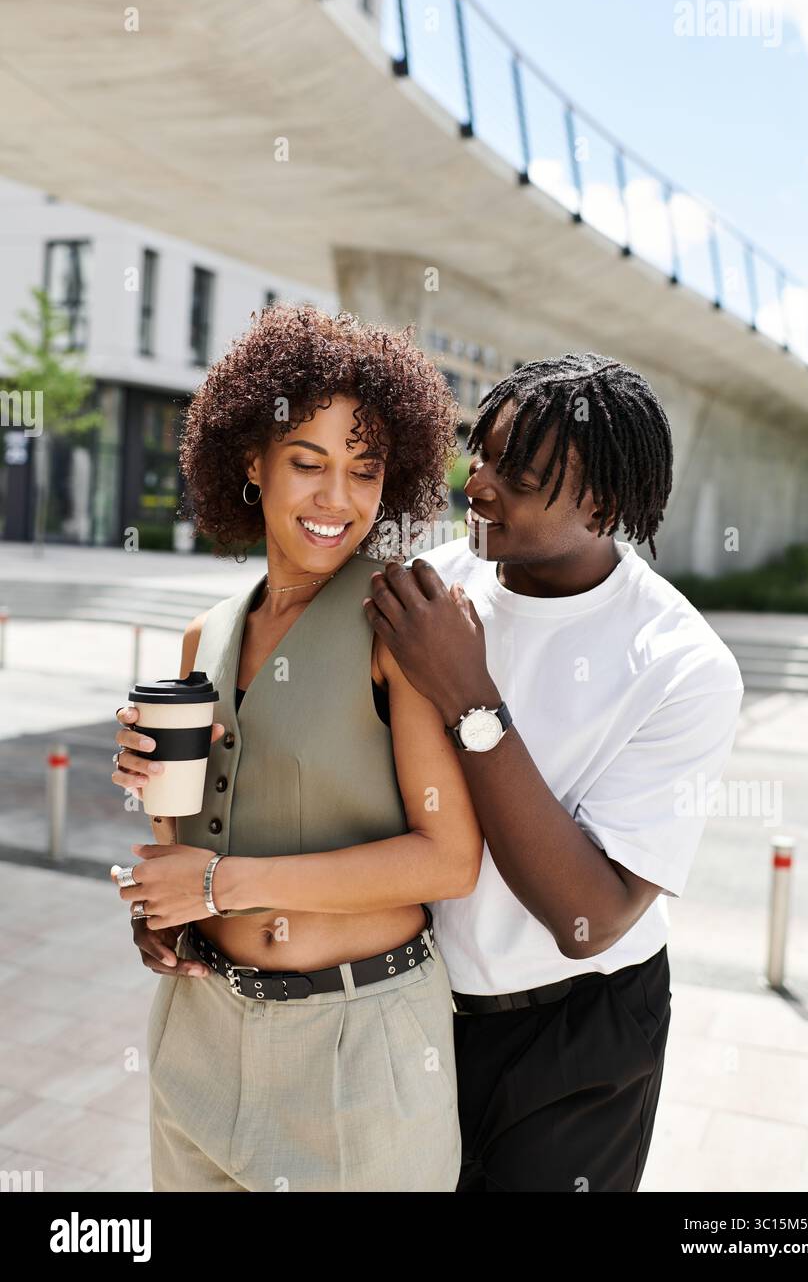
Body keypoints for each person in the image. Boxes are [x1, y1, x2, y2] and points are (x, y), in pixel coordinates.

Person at [110, 303, 481, 1193]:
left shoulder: (399, 620)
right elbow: (192, 847)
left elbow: (449, 858)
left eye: (363, 471)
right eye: (307, 462)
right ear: (252, 460)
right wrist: (166, 898)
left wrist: (221, 884)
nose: (336, 500)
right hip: (200, 1032)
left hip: (357, 1056)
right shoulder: (208, 635)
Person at [363, 352, 745, 1192]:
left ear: (603, 507)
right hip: (418, 1008)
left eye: (520, 474)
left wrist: (471, 696)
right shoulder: (432, 589)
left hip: (581, 1032)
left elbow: (592, 916)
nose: (481, 483)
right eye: (483, 452)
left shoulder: (682, 666)